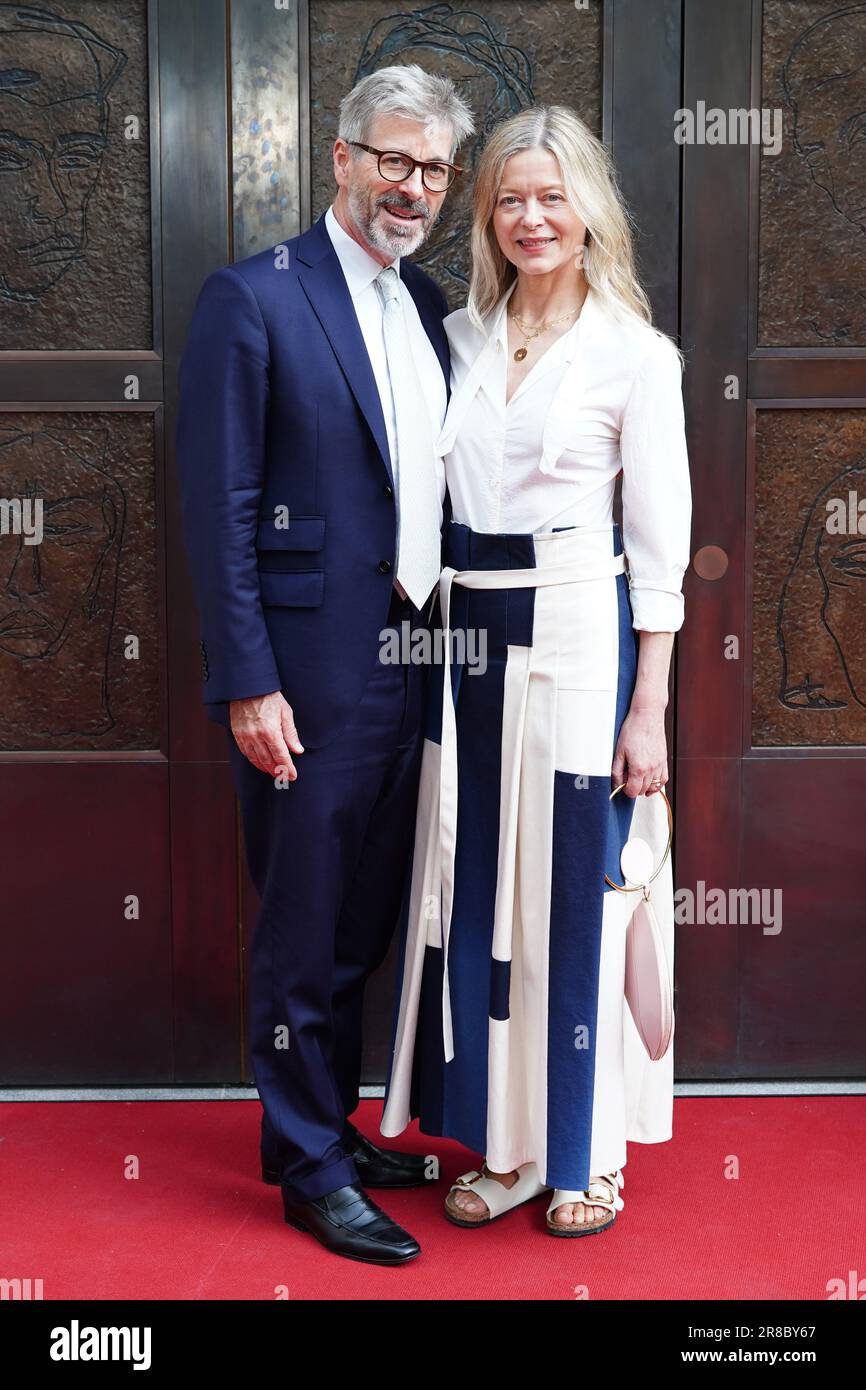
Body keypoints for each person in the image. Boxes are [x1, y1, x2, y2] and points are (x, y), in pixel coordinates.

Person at [175, 64, 474, 1265]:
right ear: (340, 160)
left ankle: (333, 1124)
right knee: (300, 921)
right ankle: (304, 1163)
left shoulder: (432, 303)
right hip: (300, 678)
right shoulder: (252, 298)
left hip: (414, 663)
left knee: (364, 916)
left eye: (433, 169)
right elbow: (219, 503)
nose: (410, 185)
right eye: (391, 159)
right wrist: (249, 680)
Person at [380, 104, 692, 1236]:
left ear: (588, 210)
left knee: (572, 896)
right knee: (479, 889)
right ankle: (506, 1148)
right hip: (465, 644)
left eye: (551, 196)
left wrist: (646, 708)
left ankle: (588, 1151)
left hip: (575, 637)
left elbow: (658, 552)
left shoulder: (634, 356)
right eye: (509, 197)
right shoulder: (456, 337)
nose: (529, 217)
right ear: (487, 214)